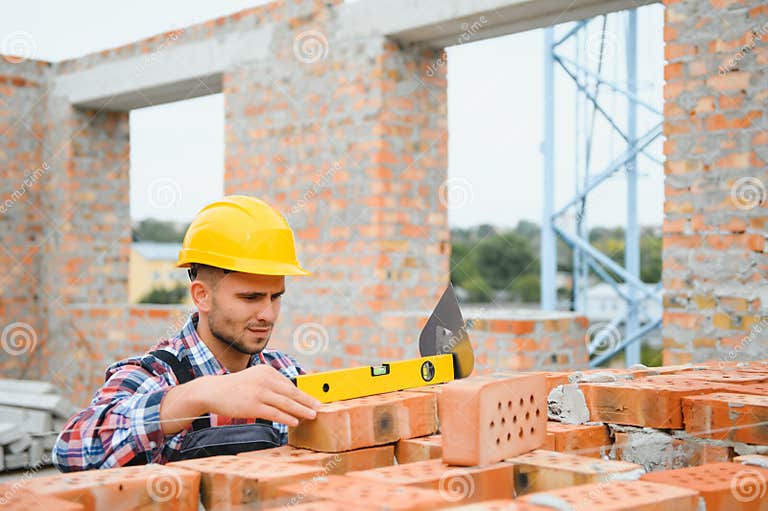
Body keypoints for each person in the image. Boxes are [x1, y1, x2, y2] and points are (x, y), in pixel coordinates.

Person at [53, 195, 321, 471]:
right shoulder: (153, 376)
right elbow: (70, 452)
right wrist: (198, 394)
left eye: (275, 297)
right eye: (251, 298)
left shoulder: (287, 374)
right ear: (202, 295)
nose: (268, 314)